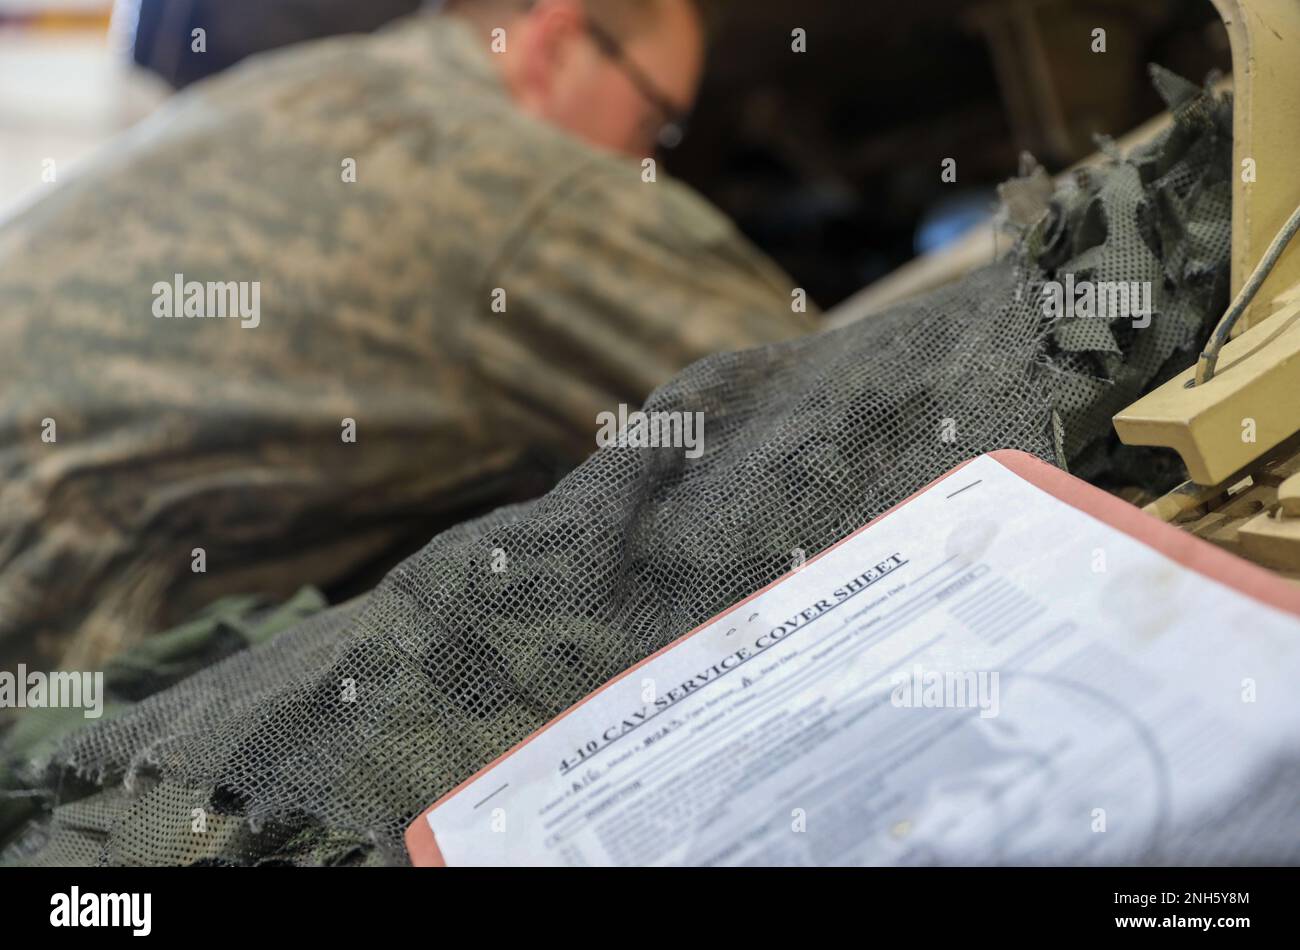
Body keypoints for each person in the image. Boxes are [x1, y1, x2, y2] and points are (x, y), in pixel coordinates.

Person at [0, 0, 816, 673]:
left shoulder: (310, 83)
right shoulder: (513, 182)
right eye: (657, 123)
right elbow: (840, 399)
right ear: (558, 42)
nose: (653, 168)